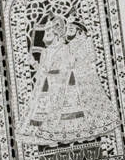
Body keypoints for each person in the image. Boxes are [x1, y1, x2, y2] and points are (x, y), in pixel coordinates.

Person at [19, 16, 117, 145]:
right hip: (49, 87)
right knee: (44, 113)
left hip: (69, 82)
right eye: (46, 33)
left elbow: (73, 64)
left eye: (50, 32)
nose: (47, 35)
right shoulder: (48, 51)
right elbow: (42, 71)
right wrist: (34, 64)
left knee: (76, 110)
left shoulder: (66, 48)